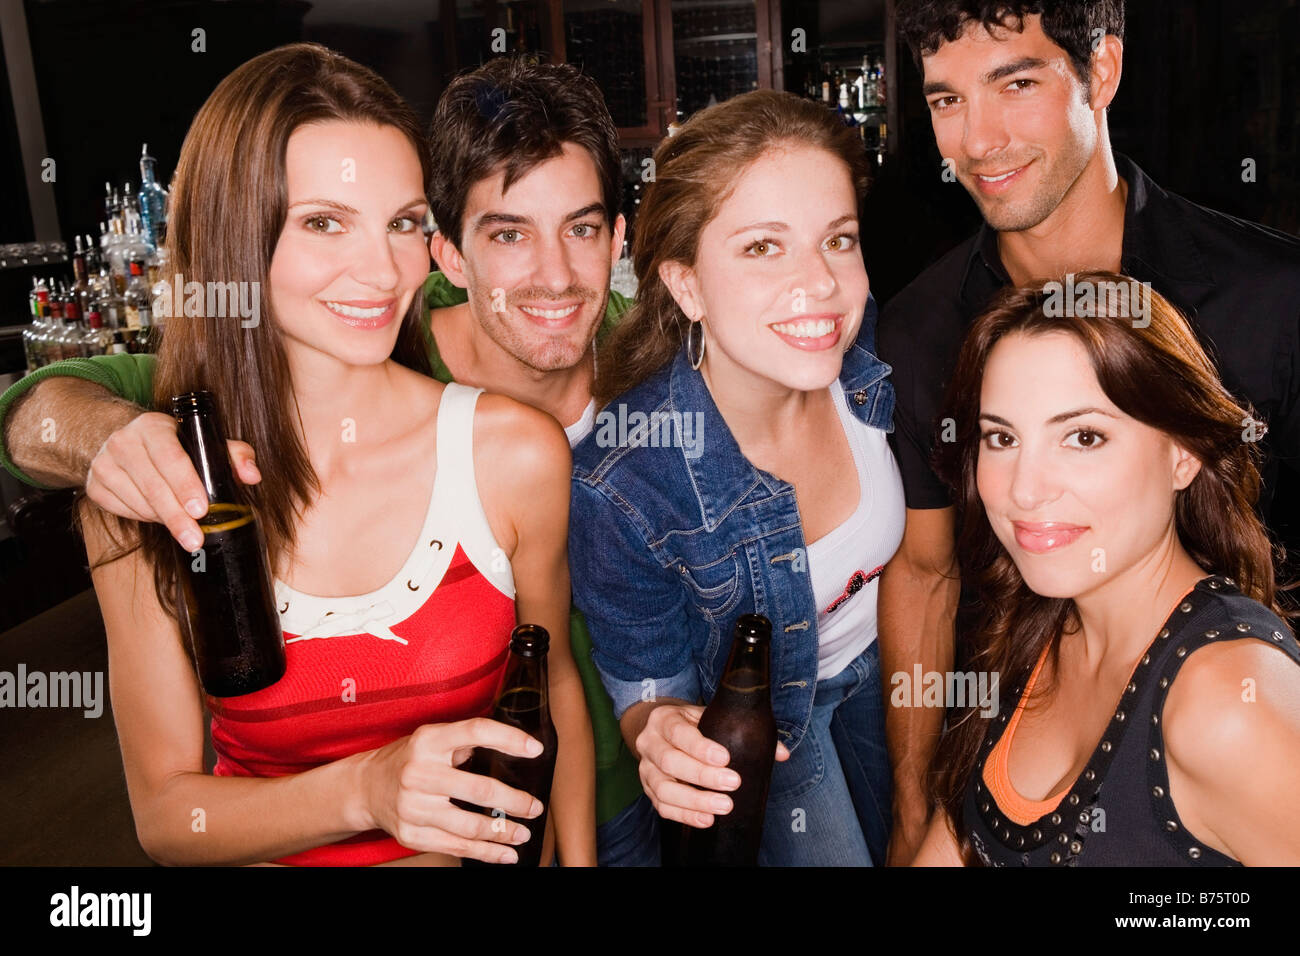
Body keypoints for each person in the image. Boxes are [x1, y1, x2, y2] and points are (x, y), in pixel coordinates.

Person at [0, 56, 657, 865]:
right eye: (323, 222)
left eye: (402, 222)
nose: (382, 271)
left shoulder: (515, 448)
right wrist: (365, 789)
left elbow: (551, 684)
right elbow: (169, 818)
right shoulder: (149, 483)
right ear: (233, 235)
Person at [877, 0, 1300, 864]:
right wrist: (917, 811)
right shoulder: (921, 329)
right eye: (946, 100)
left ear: (1100, 71)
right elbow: (924, 575)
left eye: (1017, 83)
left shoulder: (1274, 303)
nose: (980, 139)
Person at [568, 89, 904, 866]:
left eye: (839, 240)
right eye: (762, 247)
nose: (819, 285)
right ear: (685, 285)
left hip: (889, 664)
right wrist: (659, 728)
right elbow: (645, 684)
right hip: (774, 726)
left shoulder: (868, 352)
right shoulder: (624, 483)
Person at [911, 273, 1300, 866]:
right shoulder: (1039, 623)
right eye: (1001, 438)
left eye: (1084, 436)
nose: (1025, 490)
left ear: (1184, 452)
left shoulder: (1229, 706)